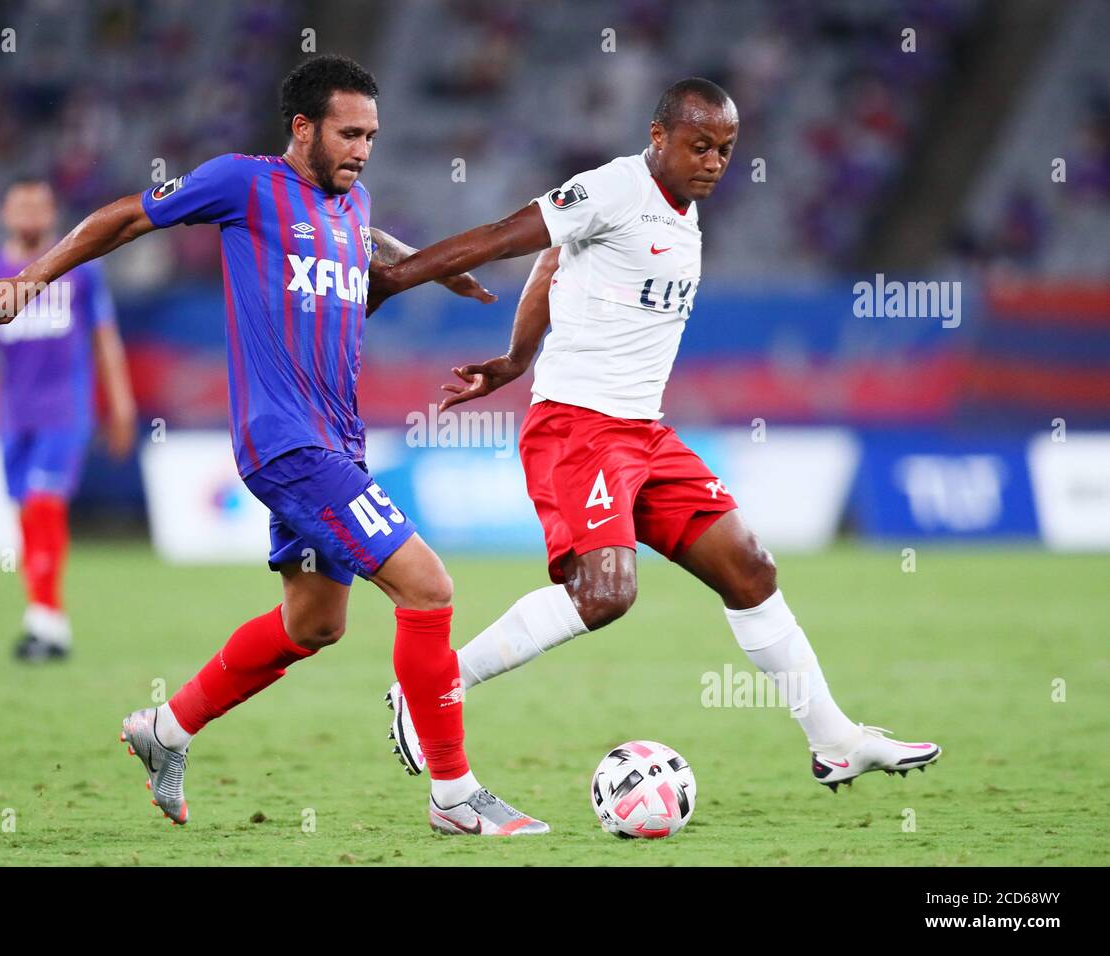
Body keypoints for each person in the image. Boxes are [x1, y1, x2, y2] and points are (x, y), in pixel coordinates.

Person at [0, 55, 547, 835]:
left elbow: (360, 236)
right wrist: (28, 283)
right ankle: (454, 795)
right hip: (286, 445)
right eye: (349, 133)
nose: (363, 150)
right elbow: (127, 217)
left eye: (372, 136)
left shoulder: (352, 199)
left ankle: (165, 730)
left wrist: (420, 268)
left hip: (336, 443)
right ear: (302, 128)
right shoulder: (242, 184)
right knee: (429, 587)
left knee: (314, 623)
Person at [374, 78, 941, 793]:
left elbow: (556, 264)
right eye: (699, 144)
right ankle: (432, 690)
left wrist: (518, 358)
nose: (713, 161)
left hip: (644, 434)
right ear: (658, 136)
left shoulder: (682, 214)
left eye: (726, 150)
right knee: (606, 592)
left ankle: (835, 742)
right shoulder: (613, 189)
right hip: (580, 429)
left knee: (751, 568)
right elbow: (505, 238)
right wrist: (396, 279)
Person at [0, 179, 136, 662]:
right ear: (5, 211)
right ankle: (43, 618)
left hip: (65, 410)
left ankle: (48, 621)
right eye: (22, 204)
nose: (31, 213)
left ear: (53, 211)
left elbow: (105, 342)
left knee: (43, 503)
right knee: (25, 514)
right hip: (13, 416)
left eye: (40, 204)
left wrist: (119, 405)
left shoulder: (79, 272)